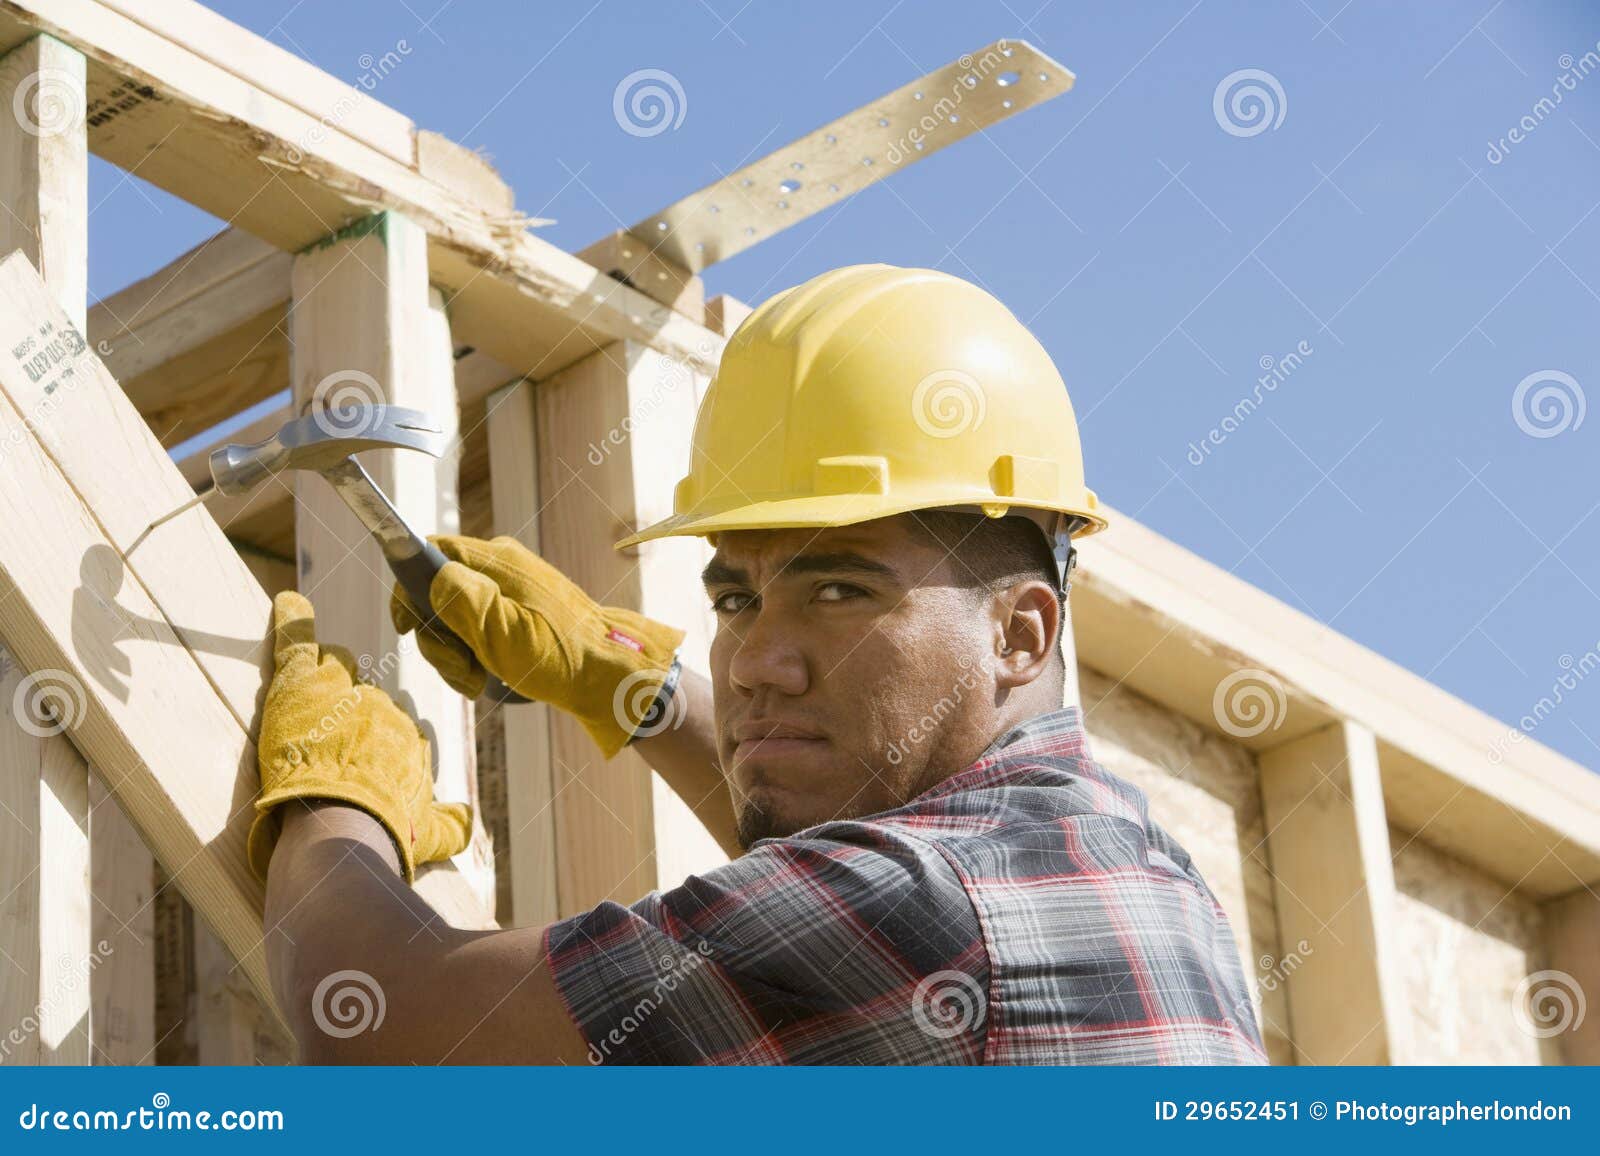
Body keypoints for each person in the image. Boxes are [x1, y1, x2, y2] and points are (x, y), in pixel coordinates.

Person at [253, 264, 1267, 1065]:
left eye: (840, 591)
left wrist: (335, 804)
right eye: (736, 598)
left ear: (1018, 632)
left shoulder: (933, 905)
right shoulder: (1139, 868)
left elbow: (383, 1031)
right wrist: (624, 682)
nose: (754, 664)